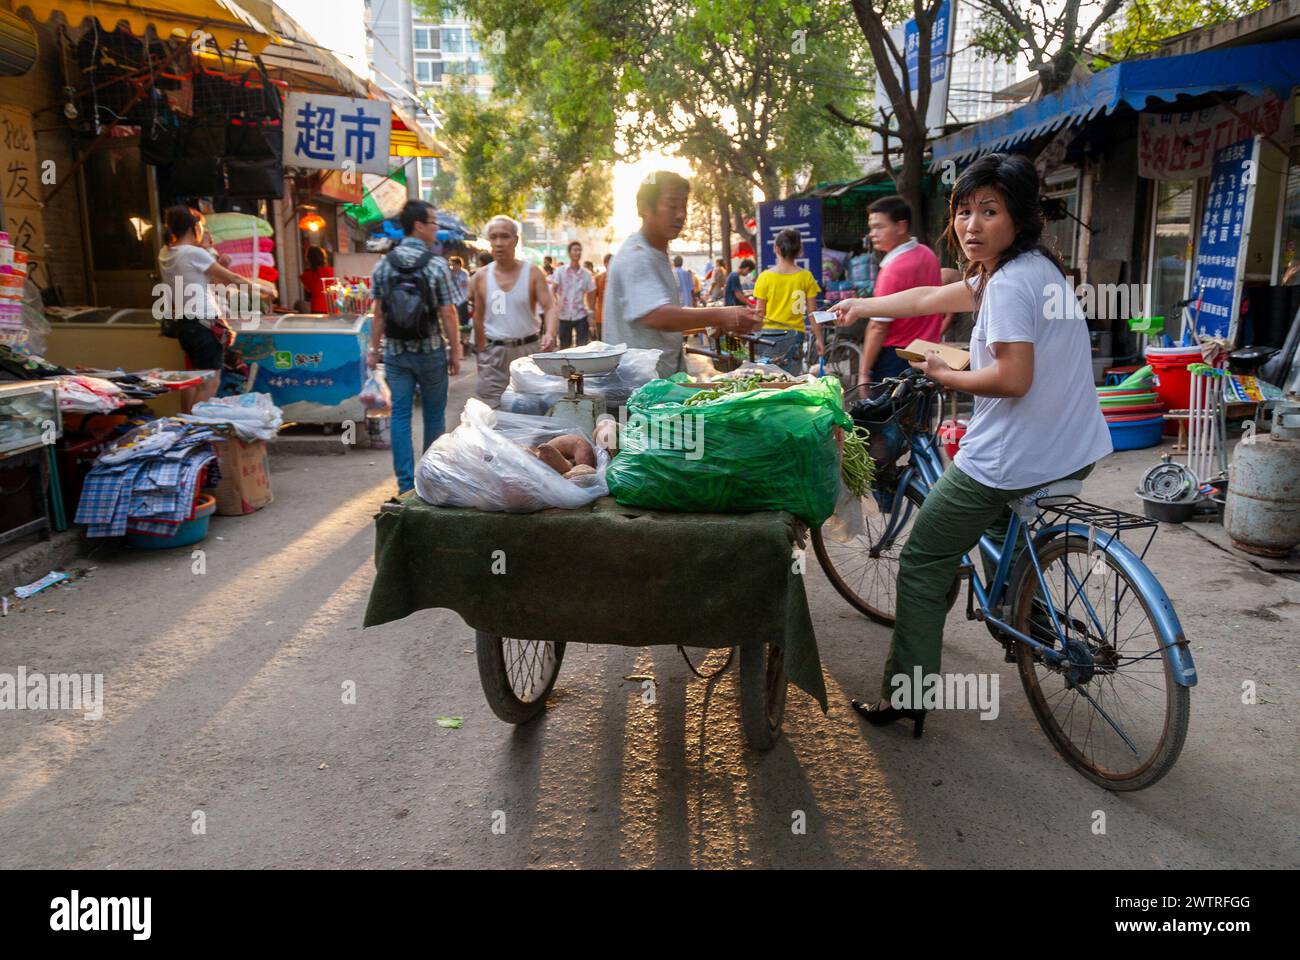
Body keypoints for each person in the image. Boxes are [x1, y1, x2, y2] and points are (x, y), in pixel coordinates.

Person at [830, 152, 1112, 736]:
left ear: (1020, 218)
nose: (971, 225)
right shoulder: (1036, 269)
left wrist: (943, 372)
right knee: (991, 529)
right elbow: (932, 300)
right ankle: (1026, 614)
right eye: (964, 211)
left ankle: (907, 694)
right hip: (1074, 444)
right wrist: (862, 307)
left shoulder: (1008, 284)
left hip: (1012, 456)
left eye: (990, 211)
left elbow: (1012, 379)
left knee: (924, 558)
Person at [603, 171, 760, 379]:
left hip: (660, 384)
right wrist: (722, 314)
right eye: (671, 206)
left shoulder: (656, 254)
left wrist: (708, 325)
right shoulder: (637, 255)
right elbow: (656, 316)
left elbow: (659, 322)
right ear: (643, 207)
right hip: (637, 392)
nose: (680, 215)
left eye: (683, 207)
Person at [367, 199, 463, 494]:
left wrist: (373, 350)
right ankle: (430, 482)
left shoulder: (384, 265)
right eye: (433, 222)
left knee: (400, 416)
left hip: (396, 354)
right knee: (434, 416)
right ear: (418, 226)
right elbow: (448, 313)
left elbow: (379, 313)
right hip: (431, 351)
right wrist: (455, 351)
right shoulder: (435, 266)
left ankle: (405, 485)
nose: (437, 228)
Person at [158, 205, 276, 412]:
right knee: (210, 382)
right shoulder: (193, 253)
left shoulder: (166, 253)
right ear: (194, 227)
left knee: (193, 378)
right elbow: (232, 278)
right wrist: (263, 290)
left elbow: (208, 279)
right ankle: (196, 429)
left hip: (185, 323)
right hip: (204, 322)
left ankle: (187, 423)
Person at [846, 196, 944, 387]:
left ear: (901, 226)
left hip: (896, 357)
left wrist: (864, 372)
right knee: (919, 413)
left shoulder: (893, 270)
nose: (872, 233)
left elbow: (878, 327)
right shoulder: (928, 254)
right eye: (871, 227)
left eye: (879, 227)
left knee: (889, 415)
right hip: (928, 353)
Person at [471, 215, 559, 409]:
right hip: (493, 355)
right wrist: (481, 353)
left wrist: (550, 334)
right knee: (494, 412)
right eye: (493, 237)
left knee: (531, 407)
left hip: (527, 352)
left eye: (505, 236)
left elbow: (550, 307)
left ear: (516, 240)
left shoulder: (533, 273)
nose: (499, 243)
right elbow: (478, 318)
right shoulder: (481, 277)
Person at [752, 228, 821, 374]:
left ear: (776, 249)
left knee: (766, 379)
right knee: (791, 380)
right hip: (794, 335)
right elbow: (812, 312)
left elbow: (759, 313)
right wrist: (820, 339)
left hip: (768, 336)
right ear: (799, 250)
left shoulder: (765, 277)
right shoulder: (806, 277)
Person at [554, 240, 596, 347]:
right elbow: (552, 289)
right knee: (564, 347)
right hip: (564, 315)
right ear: (569, 253)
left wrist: (591, 313)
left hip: (581, 314)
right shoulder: (560, 272)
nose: (578, 252)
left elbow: (591, 292)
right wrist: (555, 305)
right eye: (575, 250)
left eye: (579, 250)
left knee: (582, 347)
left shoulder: (586, 274)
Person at [300, 246, 335, 314]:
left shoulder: (306, 275)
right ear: (323, 257)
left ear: (308, 259)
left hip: (316, 309)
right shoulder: (333, 271)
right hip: (333, 308)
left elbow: (309, 290)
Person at [448, 254, 471, 337]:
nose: (452, 266)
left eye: (453, 264)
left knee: (463, 320)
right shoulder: (450, 273)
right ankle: (456, 335)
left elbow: (463, 284)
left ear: (458, 265)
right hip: (453, 299)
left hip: (462, 299)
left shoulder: (463, 273)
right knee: (454, 319)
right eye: (451, 265)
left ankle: (464, 337)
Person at [593, 252, 612, 339]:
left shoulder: (618, 278)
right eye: (609, 263)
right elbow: (593, 299)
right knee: (601, 341)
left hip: (614, 317)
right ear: (605, 263)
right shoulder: (598, 278)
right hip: (601, 316)